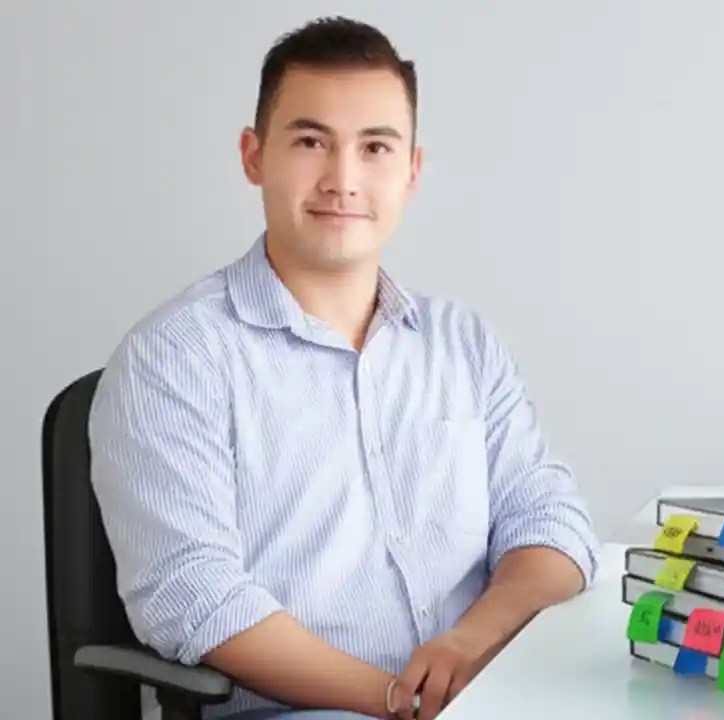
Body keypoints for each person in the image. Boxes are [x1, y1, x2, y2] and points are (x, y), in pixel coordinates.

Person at [87, 16, 600, 720]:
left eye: (375, 147)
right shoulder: (174, 357)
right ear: (254, 156)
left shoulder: (463, 344)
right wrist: (398, 701)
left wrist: (468, 647)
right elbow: (193, 593)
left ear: (411, 170)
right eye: (310, 142)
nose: (343, 179)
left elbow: (551, 522)